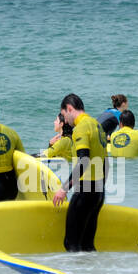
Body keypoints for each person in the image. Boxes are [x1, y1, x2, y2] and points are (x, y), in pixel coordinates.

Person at [51, 93, 108, 251]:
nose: (65, 120)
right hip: (98, 190)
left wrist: (64, 189)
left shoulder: (81, 127)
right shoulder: (97, 126)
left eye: (64, 115)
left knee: (71, 244)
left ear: (69, 109)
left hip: (85, 191)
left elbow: (84, 160)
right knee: (87, 245)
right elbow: (105, 161)